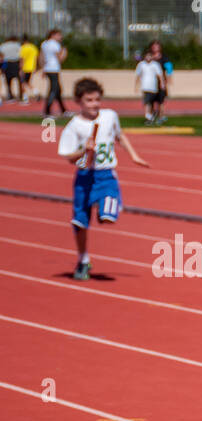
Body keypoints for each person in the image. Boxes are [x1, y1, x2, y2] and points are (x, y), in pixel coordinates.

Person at [57, 77, 149, 280]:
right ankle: (83, 259)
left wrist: (134, 155)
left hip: (106, 175)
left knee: (107, 217)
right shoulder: (74, 127)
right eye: (89, 100)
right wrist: (83, 150)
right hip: (84, 176)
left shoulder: (109, 116)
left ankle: (110, 204)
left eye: (97, 99)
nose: (94, 104)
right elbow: (69, 158)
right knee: (79, 223)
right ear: (79, 102)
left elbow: (119, 135)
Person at [40, 29, 66, 118]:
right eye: (59, 35)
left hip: (48, 68)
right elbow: (60, 59)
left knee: (58, 90)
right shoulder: (55, 44)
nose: (60, 37)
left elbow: (42, 57)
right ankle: (47, 111)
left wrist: (43, 68)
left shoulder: (44, 44)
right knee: (53, 90)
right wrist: (64, 53)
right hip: (54, 68)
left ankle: (63, 110)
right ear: (53, 35)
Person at [135, 48, 165, 125]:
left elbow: (160, 75)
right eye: (147, 56)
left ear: (152, 56)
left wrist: (162, 84)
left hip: (153, 87)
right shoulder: (141, 64)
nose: (148, 57)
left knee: (150, 103)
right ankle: (149, 116)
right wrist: (136, 86)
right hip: (145, 87)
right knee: (146, 102)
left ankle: (151, 116)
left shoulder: (155, 64)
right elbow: (138, 75)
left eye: (149, 56)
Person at [1, 35, 20, 102]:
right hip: (16, 63)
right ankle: (20, 95)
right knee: (19, 80)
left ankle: (10, 95)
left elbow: (1, 56)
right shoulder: (17, 45)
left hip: (6, 63)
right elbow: (21, 54)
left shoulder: (3, 45)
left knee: (8, 81)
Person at [19, 34, 37, 102]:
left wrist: (20, 69)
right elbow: (35, 58)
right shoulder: (33, 47)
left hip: (25, 68)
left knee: (23, 83)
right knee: (26, 82)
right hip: (31, 67)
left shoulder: (23, 48)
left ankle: (25, 98)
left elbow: (22, 59)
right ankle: (36, 92)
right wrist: (35, 67)